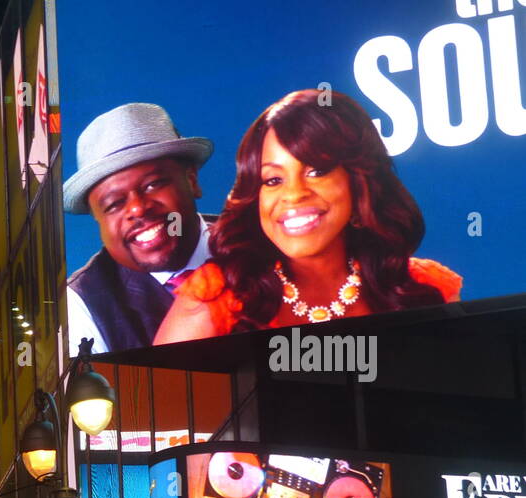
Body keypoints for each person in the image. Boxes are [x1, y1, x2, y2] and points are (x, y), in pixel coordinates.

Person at [156, 90, 460, 344]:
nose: (294, 194)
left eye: (316, 171)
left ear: (358, 182)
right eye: (273, 180)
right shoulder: (215, 297)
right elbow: (161, 410)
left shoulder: (422, 285)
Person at [63, 103, 214, 353]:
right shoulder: (83, 304)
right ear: (98, 221)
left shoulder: (265, 241)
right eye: (114, 204)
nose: (137, 209)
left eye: (153, 184)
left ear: (192, 181)